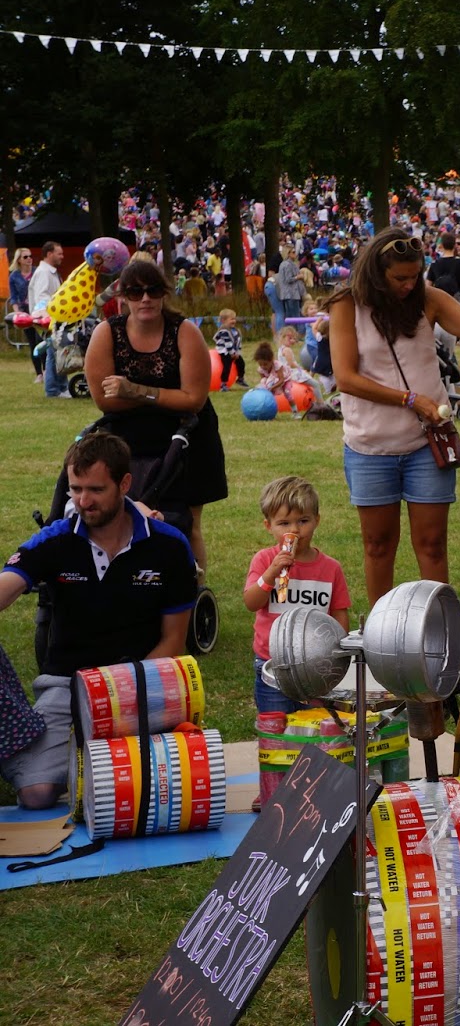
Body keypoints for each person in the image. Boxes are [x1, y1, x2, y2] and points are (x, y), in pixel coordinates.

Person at [0, 432, 197, 808]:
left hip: (141, 685)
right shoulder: (54, 539)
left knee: (150, 791)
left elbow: (173, 640)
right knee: (37, 794)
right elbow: (8, 586)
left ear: (125, 484)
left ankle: (97, 748)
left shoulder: (169, 546)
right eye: (75, 489)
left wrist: (118, 691)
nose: (82, 501)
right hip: (66, 685)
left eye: (95, 489)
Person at [328, 227, 460, 602]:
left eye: (414, 275)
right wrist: (409, 399)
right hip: (369, 448)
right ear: (377, 272)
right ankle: (380, 637)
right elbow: (346, 378)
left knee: (433, 545)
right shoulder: (346, 305)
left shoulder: (427, 299)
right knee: (377, 546)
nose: (408, 284)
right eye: (399, 278)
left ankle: (440, 634)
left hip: (427, 445)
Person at [85, 259, 228, 574]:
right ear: (123, 296)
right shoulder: (107, 333)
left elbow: (193, 400)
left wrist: (134, 390)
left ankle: (193, 595)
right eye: (135, 292)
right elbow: (104, 401)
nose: (145, 299)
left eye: (152, 291)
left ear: (164, 294)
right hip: (129, 443)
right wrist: (165, 396)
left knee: (187, 524)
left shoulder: (184, 331)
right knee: (124, 518)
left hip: (189, 438)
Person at [242, 475, 351, 715]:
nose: (294, 530)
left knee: (316, 728)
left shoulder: (330, 568)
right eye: (284, 523)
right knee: (277, 730)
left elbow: (339, 614)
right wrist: (271, 573)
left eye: (303, 521)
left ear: (316, 521)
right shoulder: (263, 560)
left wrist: (337, 657)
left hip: (316, 665)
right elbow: (251, 602)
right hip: (273, 663)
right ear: (268, 526)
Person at [31, 241, 68, 398]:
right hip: (48, 319)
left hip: (53, 318)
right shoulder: (44, 273)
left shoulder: (50, 272)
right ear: (49, 254)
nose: (62, 256)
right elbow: (42, 298)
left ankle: (59, 387)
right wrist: (49, 319)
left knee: (57, 352)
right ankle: (54, 389)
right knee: (54, 353)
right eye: (59, 253)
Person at [9, 248, 43, 383]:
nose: (29, 259)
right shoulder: (14, 276)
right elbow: (14, 297)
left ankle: (46, 371)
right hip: (25, 312)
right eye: (25, 257)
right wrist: (18, 313)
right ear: (19, 260)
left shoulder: (38, 272)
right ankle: (39, 373)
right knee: (33, 343)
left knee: (41, 341)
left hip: (39, 310)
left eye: (30, 256)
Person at [274, 249, 306, 332]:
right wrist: (298, 277)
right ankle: (297, 333)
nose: (295, 254)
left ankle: (290, 333)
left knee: (290, 315)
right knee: (294, 316)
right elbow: (288, 279)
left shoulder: (285, 264)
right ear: (288, 254)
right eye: (293, 252)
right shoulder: (287, 265)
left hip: (288, 293)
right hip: (291, 293)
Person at [214, 308, 244, 391]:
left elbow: (238, 342)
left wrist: (238, 352)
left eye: (234, 319)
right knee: (227, 366)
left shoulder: (235, 330)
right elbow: (228, 344)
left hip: (233, 352)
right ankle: (223, 384)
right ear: (223, 320)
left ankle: (240, 378)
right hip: (225, 352)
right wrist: (232, 353)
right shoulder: (223, 330)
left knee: (241, 363)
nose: (234, 321)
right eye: (231, 319)